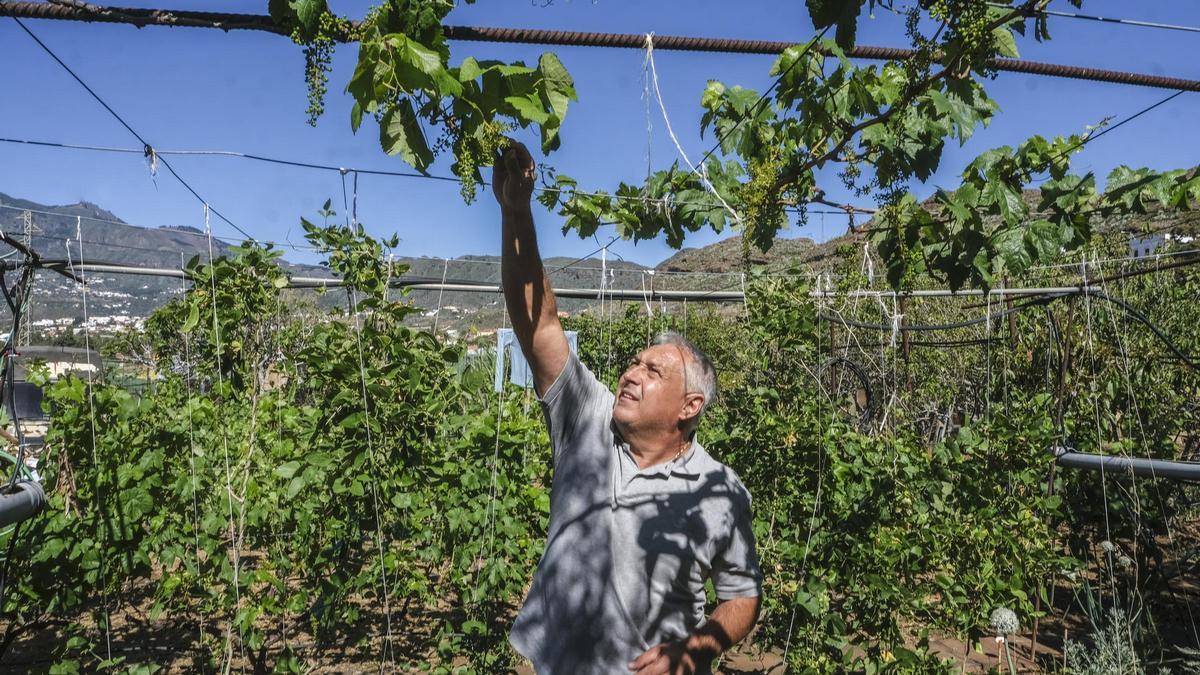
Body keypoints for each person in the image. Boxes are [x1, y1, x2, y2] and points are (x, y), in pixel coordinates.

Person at [494, 141, 762, 675]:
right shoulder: (587, 420)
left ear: (689, 405)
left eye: (652, 371)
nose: (632, 373)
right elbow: (540, 325)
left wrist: (696, 648)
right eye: (635, 363)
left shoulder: (720, 490)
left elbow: (741, 598)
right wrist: (517, 214)